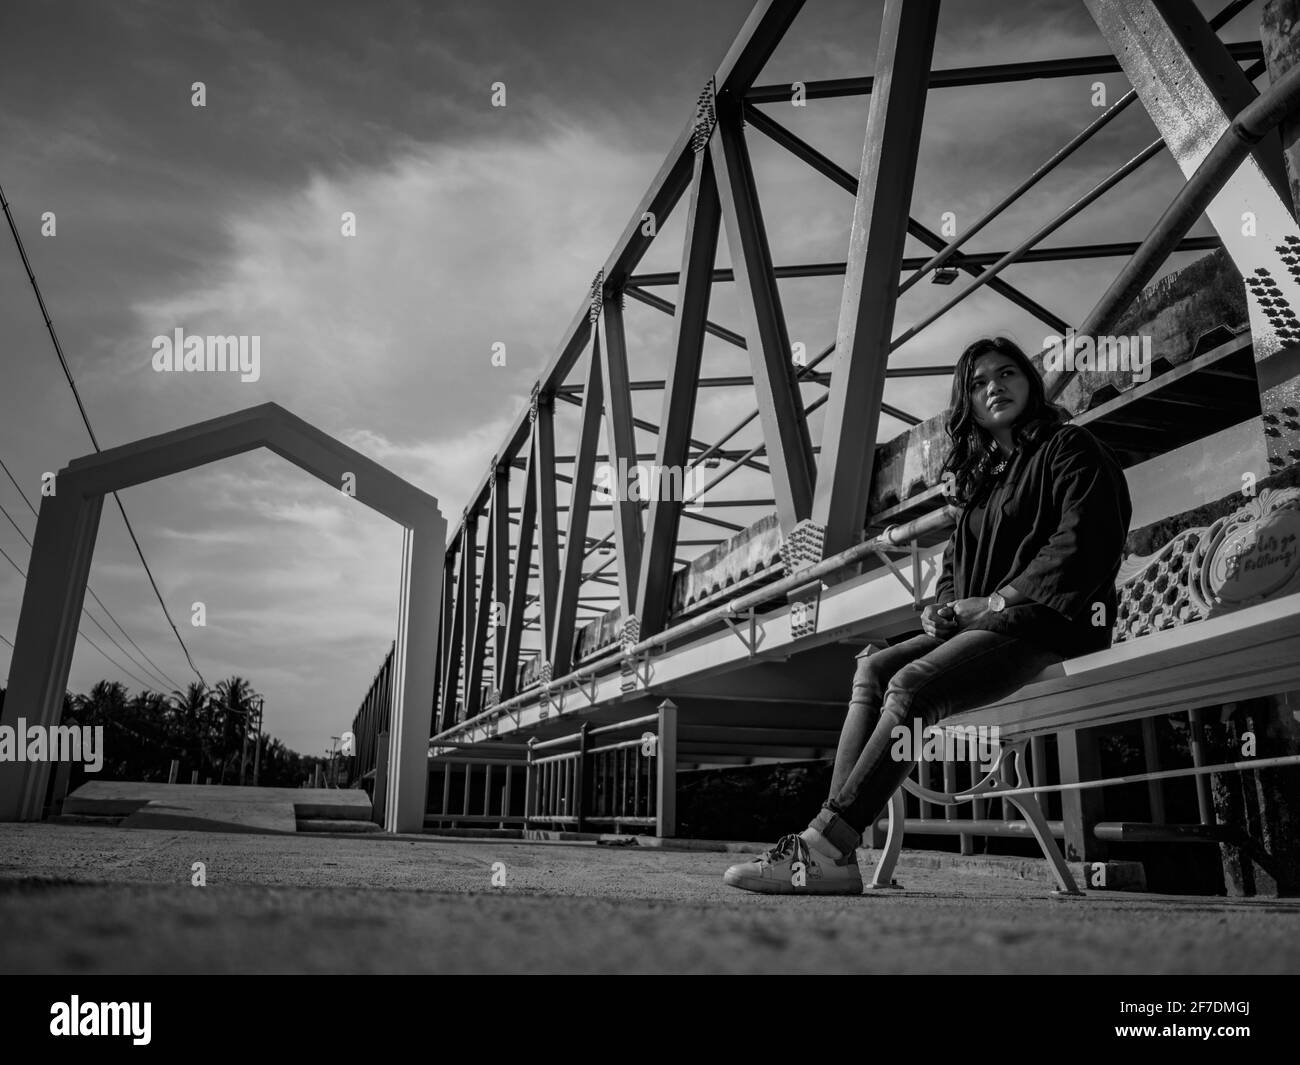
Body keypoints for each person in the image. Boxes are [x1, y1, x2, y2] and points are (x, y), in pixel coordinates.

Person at [723, 335, 1133, 894]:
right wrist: (940, 612)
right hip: (991, 630)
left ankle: (823, 846)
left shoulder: (1070, 448)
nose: (996, 387)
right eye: (979, 381)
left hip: (1050, 626)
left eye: (1008, 373)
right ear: (967, 404)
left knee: (913, 685)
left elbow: (1084, 543)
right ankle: (834, 856)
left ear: (1030, 385)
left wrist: (996, 601)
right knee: (873, 668)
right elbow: (953, 573)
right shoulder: (984, 485)